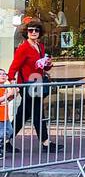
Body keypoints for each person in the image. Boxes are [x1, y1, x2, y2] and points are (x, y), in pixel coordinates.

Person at [7, 19, 52, 151]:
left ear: (40, 32)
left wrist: (48, 63)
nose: (33, 32)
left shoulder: (40, 46)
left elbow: (43, 67)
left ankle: (4, 140)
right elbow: (13, 67)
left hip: (37, 82)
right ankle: (45, 142)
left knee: (24, 114)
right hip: (27, 85)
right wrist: (12, 82)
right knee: (37, 112)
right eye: (30, 30)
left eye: (36, 30)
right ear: (26, 32)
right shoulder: (23, 48)